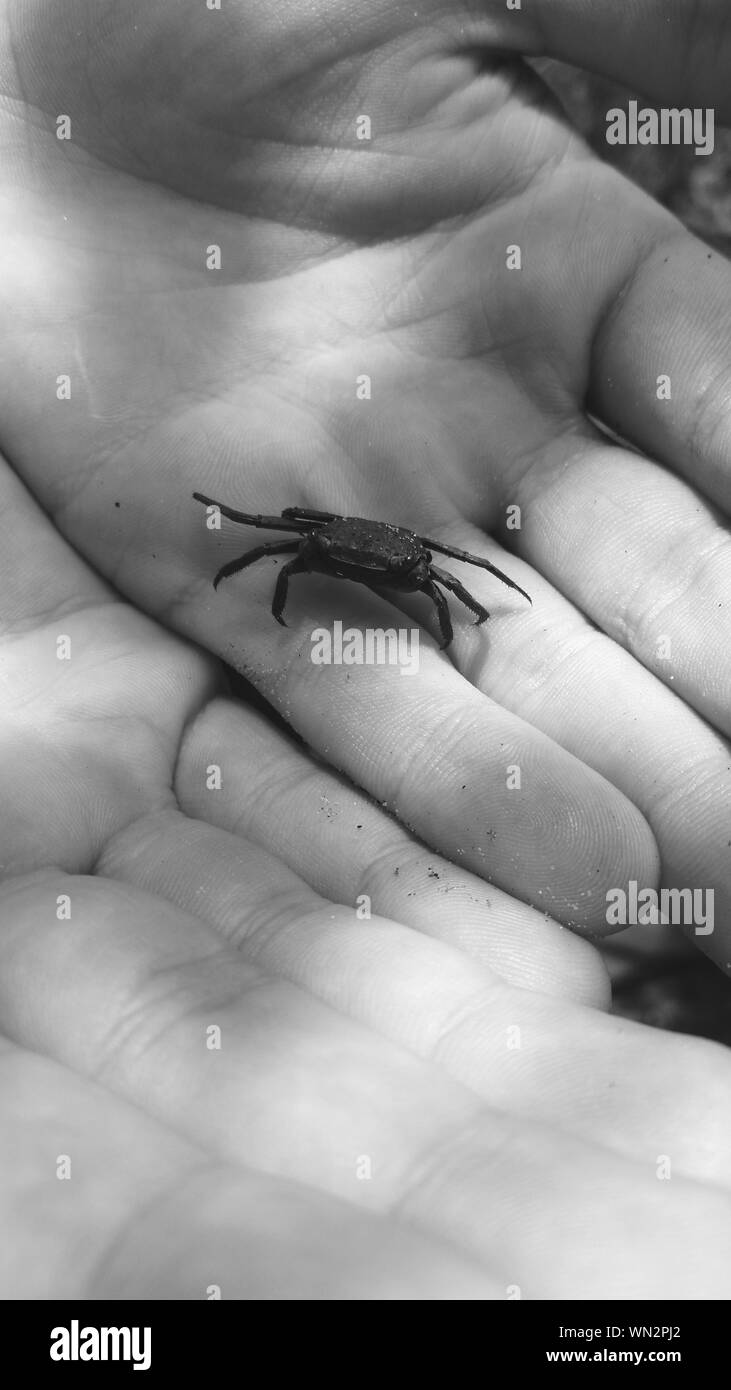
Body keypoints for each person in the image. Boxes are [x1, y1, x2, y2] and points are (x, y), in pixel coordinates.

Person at [1, 0, 729, 1298]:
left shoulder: (414, 555)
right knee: (284, 546)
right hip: (345, 536)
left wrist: (463, 597)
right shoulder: (314, 537)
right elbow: (269, 536)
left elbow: (445, 564)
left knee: (421, 577)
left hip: (384, 547)